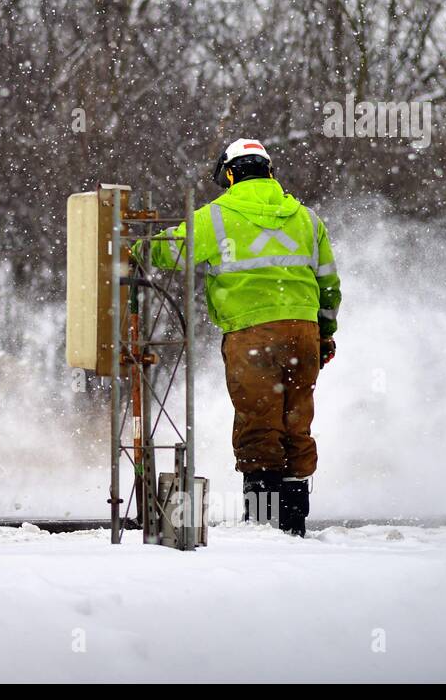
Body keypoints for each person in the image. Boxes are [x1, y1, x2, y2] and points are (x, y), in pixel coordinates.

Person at [133, 139, 342, 536]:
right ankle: (294, 523)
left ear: (230, 174)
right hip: (303, 332)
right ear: (268, 171)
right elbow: (329, 284)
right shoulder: (307, 219)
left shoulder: (217, 216)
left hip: (252, 333)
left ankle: (264, 525)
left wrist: (135, 248)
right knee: (296, 421)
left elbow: (173, 251)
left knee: (259, 425)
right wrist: (325, 334)